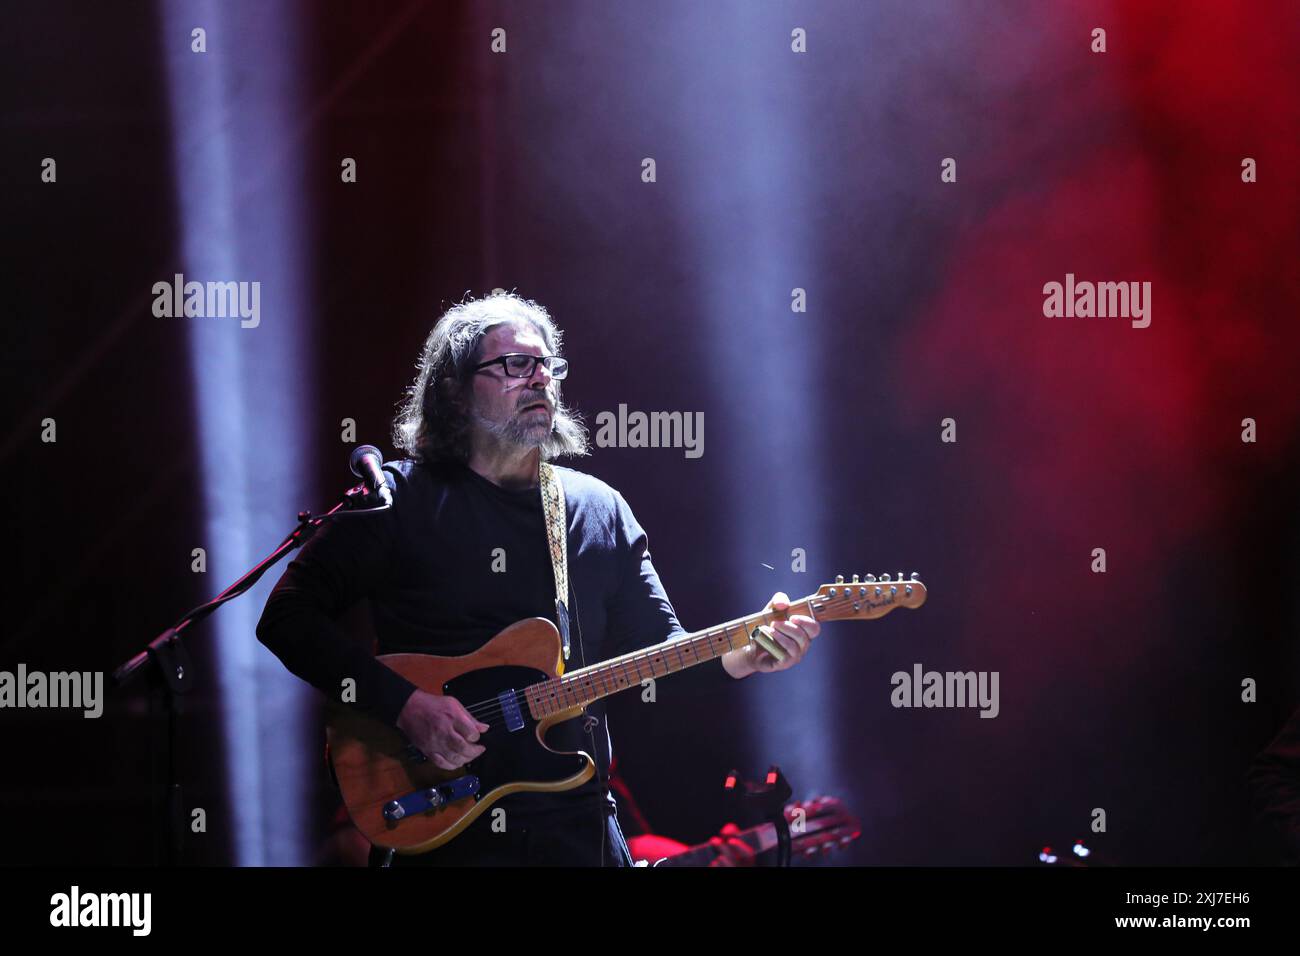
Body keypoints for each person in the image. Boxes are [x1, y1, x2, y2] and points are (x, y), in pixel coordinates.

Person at [256, 291, 819, 866]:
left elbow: (658, 658)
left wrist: (748, 654)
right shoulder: (398, 501)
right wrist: (405, 706)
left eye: (548, 364)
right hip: (440, 827)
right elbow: (288, 617)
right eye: (514, 365)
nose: (540, 379)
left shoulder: (596, 510)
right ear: (452, 388)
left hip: (575, 830)